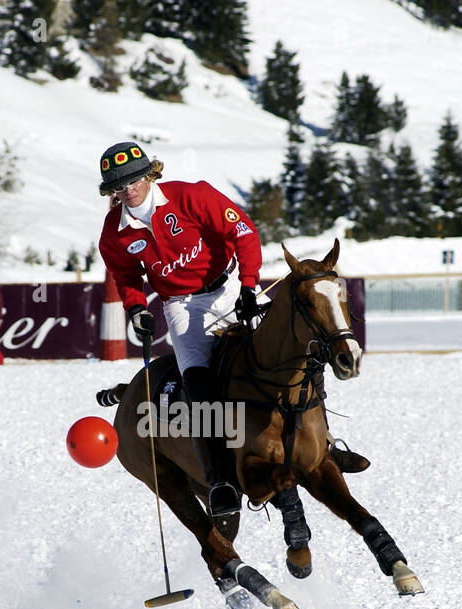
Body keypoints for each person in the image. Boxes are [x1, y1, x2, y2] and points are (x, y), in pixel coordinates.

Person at [95, 140, 367, 517]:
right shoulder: (115, 232)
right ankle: (221, 479)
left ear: (149, 173)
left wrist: (250, 285)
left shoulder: (192, 196)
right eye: (119, 185)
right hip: (181, 307)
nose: (129, 189)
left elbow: (244, 233)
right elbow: (125, 277)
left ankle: (327, 443)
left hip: (229, 289)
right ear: (112, 191)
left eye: (135, 179)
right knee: (200, 385)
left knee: (292, 353)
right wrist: (137, 308)